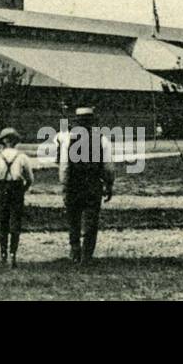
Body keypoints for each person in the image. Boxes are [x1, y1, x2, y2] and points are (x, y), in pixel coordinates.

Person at [59, 107, 114, 265]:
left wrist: (64, 185)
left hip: (74, 184)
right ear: (93, 121)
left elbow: (64, 166)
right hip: (92, 184)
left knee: (73, 218)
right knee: (91, 220)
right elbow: (108, 167)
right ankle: (87, 254)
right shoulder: (102, 139)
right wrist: (109, 185)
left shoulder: (68, 139)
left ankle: (75, 250)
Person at [0, 127, 34, 266]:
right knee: (16, 222)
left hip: (3, 189)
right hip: (17, 189)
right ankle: (13, 254)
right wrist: (23, 189)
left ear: (3, 141)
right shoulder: (22, 157)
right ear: (15, 141)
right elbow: (30, 178)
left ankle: (3, 254)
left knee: (3, 222)